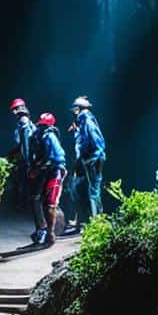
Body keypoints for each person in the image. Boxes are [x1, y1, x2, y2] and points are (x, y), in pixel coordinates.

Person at [27, 112, 68, 246]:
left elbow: (58, 158)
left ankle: (50, 234)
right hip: (46, 171)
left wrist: (39, 167)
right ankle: (46, 231)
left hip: (55, 172)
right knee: (44, 203)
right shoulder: (39, 135)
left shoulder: (50, 136)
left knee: (50, 204)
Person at [69, 96, 106, 224]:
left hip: (93, 159)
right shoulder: (82, 121)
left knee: (93, 191)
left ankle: (97, 223)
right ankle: (83, 219)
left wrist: (92, 159)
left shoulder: (88, 120)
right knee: (78, 187)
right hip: (85, 159)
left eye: (75, 108)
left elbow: (99, 143)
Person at [6, 98, 33, 209]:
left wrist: (27, 161)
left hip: (26, 158)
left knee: (24, 181)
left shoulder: (24, 122)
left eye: (14, 109)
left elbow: (25, 144)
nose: (13, 113)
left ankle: (23, 204)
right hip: (23, 156)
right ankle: (22, 203)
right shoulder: (24, 122)